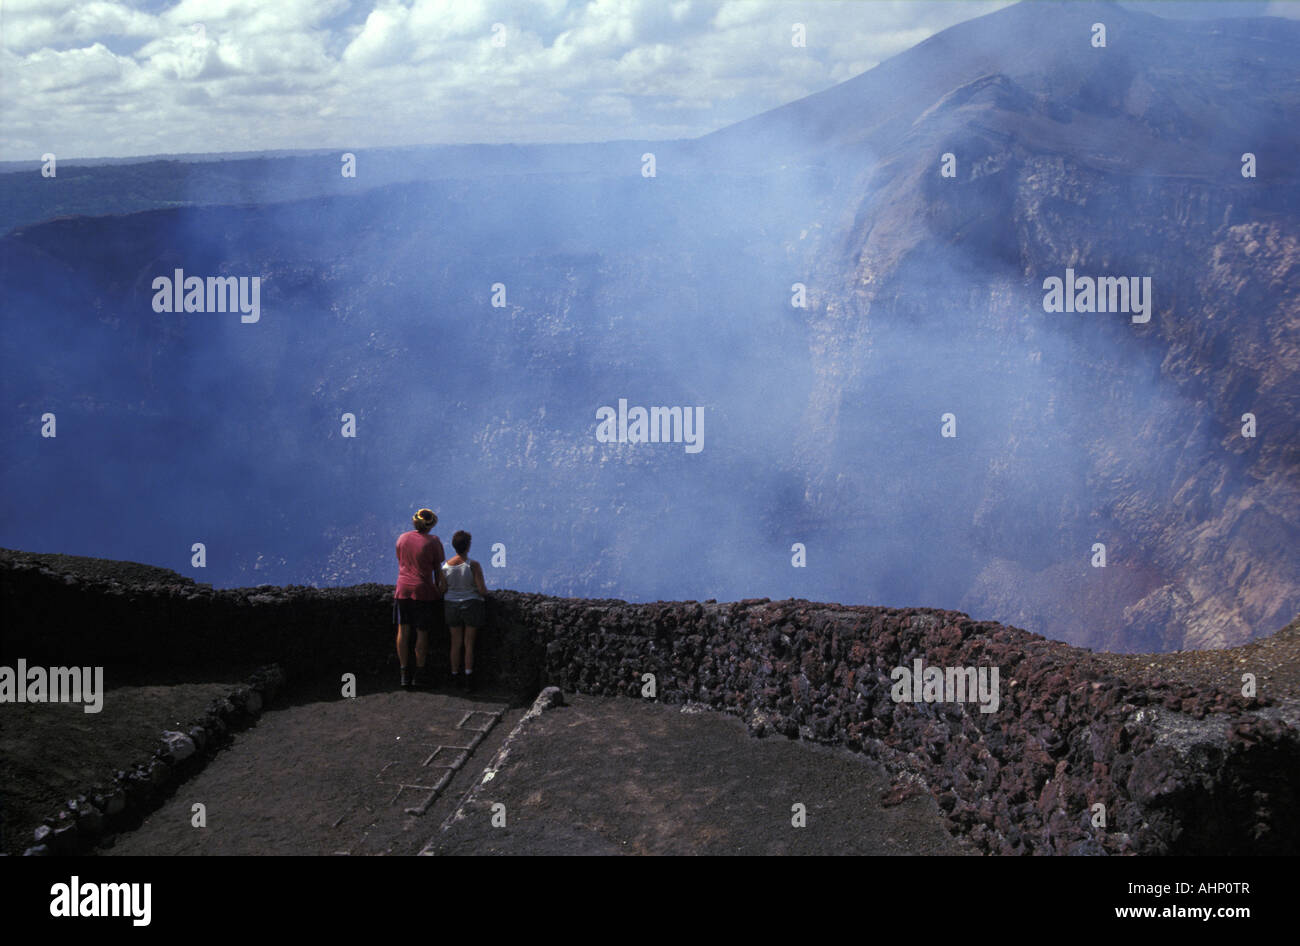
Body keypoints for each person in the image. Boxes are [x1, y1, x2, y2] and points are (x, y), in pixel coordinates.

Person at [393, 508, 445, 689]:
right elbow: (437, 571)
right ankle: (420, 673)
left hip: (402, 589)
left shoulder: (402, 538)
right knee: (422, 632)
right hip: (422, 591)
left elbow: (401, 561)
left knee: (403, 630)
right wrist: (440, 592)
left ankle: (403, 672)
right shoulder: (433, 542)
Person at [442, 530, 488, 691]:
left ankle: (454, 676)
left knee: (455, 643)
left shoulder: (446, 566)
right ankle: (469, 678)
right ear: (468, 546)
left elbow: (442, 588)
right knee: (469, 643)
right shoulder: (473, 565)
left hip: (451, 606)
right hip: (471, 605)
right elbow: (482, 590)